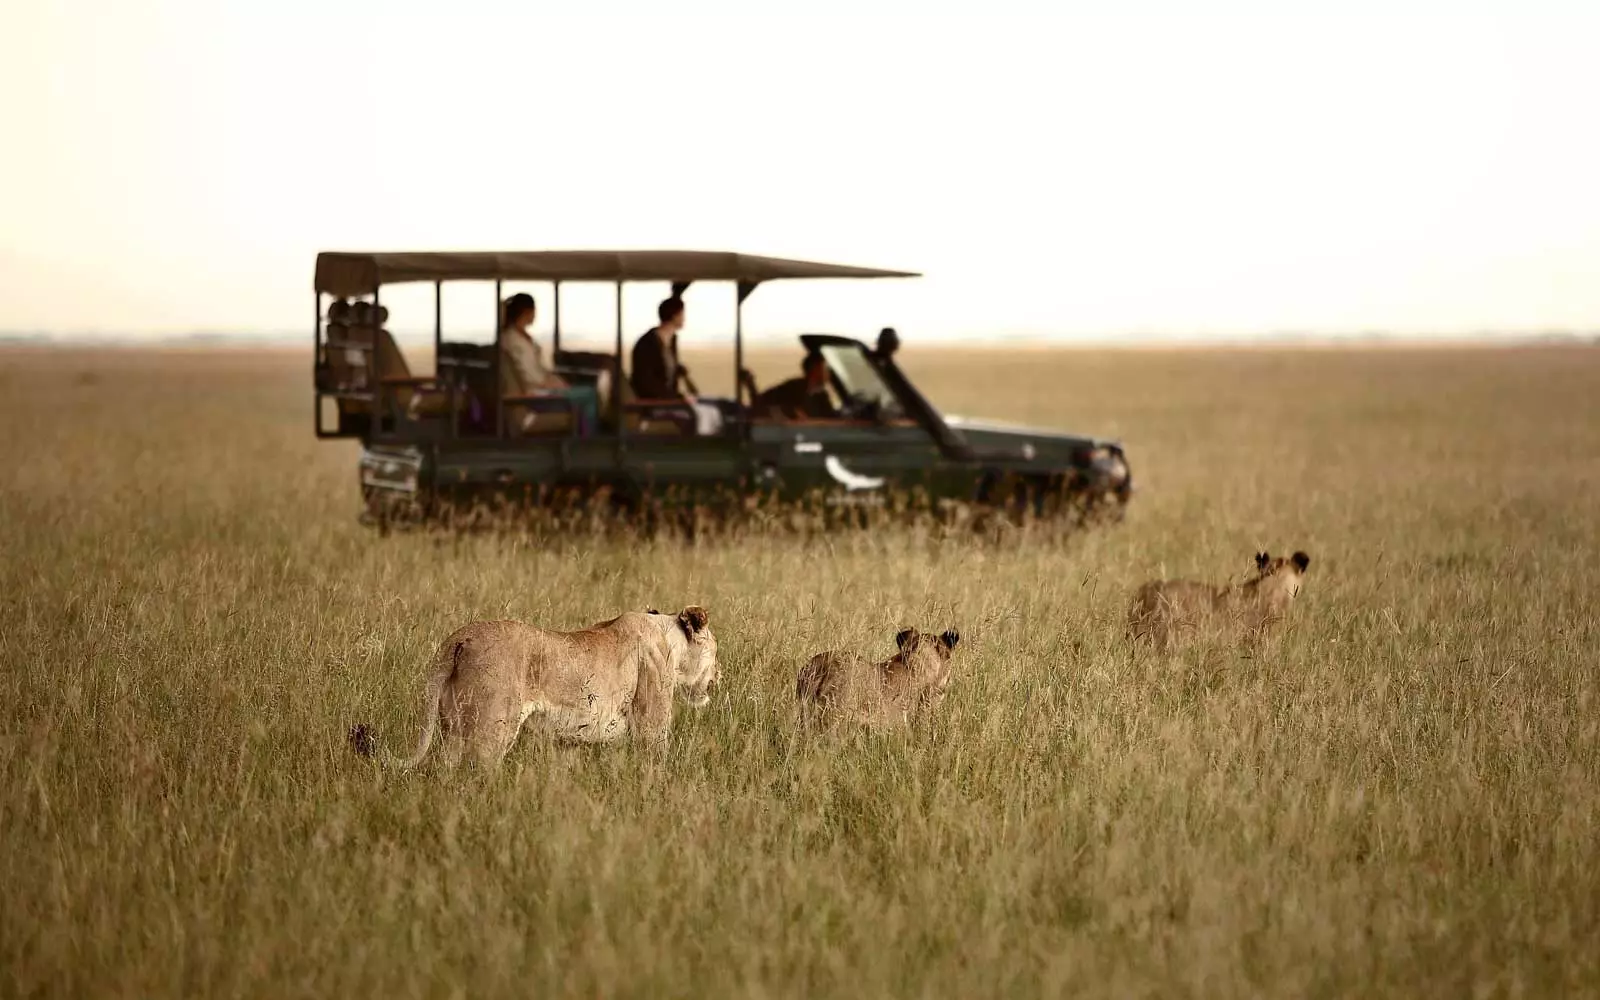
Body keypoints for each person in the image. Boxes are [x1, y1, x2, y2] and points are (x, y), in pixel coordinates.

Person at [630, 296, 722, 435]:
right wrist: (676, 398)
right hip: (655, 403)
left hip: (669, 400)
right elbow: (646, 382)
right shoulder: (646, 344)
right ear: (674, 316)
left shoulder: (671, 340)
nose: (684, 318)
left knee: (713, 408)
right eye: (682, 314)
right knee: (703, 414)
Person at [750, 351, 839, 420]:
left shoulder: (822, 395)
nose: (828, 373)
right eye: (825, 368)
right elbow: (761, 401)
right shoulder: (793, 388)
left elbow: (831, 418)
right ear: (815, 369)